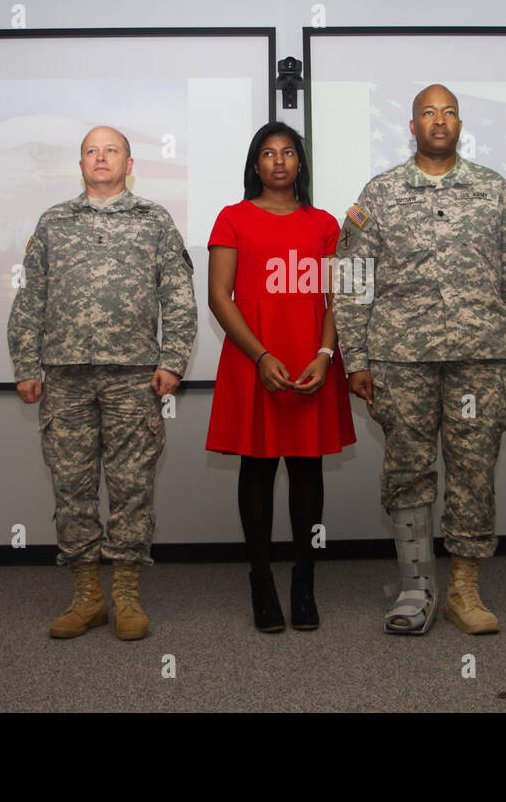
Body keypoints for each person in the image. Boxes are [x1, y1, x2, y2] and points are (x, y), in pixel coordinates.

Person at [333, 84, 506, 635]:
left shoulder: (493, 190)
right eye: (428, 113)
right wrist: (356, 358)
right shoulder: (379, 195)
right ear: (412, 126)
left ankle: (464, 590)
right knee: (407, 470)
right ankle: (414, 588)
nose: (439, 121)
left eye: (449, 112)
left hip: (481, 359)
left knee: (473, 471)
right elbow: (351, 282)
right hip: (402, 361)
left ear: (460, 124)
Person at [8, 125, 196, 641]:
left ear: (129, 163)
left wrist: (174, 359)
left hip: (133, 375)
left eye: (111, 150)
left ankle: (127, 594)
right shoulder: (53, 223)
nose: (100, 158)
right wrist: (26, 364)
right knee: (72, 487)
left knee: (132, 486)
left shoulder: (154, 220)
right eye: (91, 151)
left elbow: (177, 296)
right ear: (81, 164)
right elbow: (29, 299)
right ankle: (87, 596)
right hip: (64, 377)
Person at [206, 122, 356, 632]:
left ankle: (304, 582)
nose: (277, 161)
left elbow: (342, 297)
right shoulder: (232, 218)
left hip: (312, 360)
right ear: (255, 165)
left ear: (300, 163)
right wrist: (260, 355)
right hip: (255, 360)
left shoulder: (326, 224)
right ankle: (261, 581)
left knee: (307, 469)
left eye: (287, 152)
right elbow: (218, 298)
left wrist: (326, 353)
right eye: (267, 153)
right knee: (258, 469)